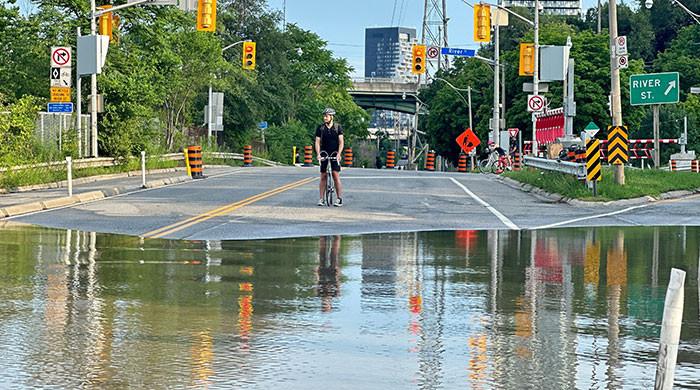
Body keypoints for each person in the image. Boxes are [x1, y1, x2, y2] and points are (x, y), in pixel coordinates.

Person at [315, 108, 344, 207]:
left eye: (326, 116)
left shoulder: (337, 127)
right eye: (324, 116)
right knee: (323, 175)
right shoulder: (320, 128)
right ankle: (321, 199)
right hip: (324, 152)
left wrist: (339, 154)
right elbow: (317, 142)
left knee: (335, 174)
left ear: (331, 117)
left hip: (334, 153)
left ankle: (339, 198)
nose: (324, 118)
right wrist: (318, 154)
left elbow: (341, 142)